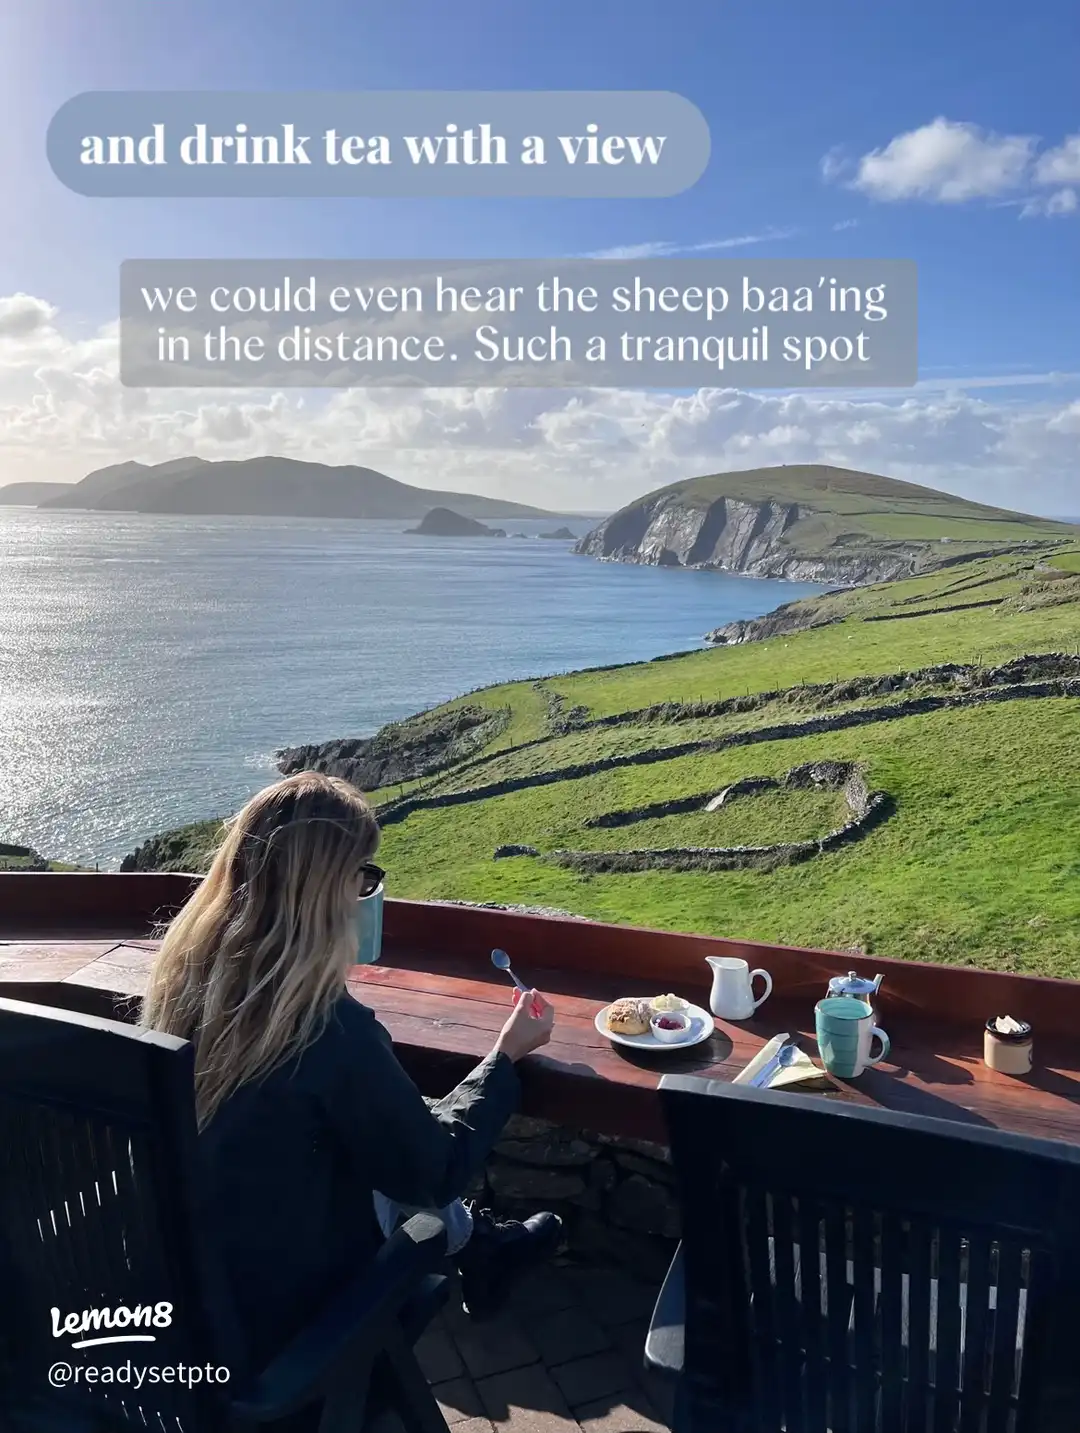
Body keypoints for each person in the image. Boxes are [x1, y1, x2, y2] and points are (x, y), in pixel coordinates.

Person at [139, 771, 562, 1371]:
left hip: (185, 1292)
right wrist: (505, 1056)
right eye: (366, 876)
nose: (371, 892)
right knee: (407, 1173)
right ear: (327, 891)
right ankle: (484, 1247)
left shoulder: (182, 985)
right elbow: (432, 1171)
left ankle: (487, 1245)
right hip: (284, 1323)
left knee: (374, 1135)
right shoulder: (326, 1029)